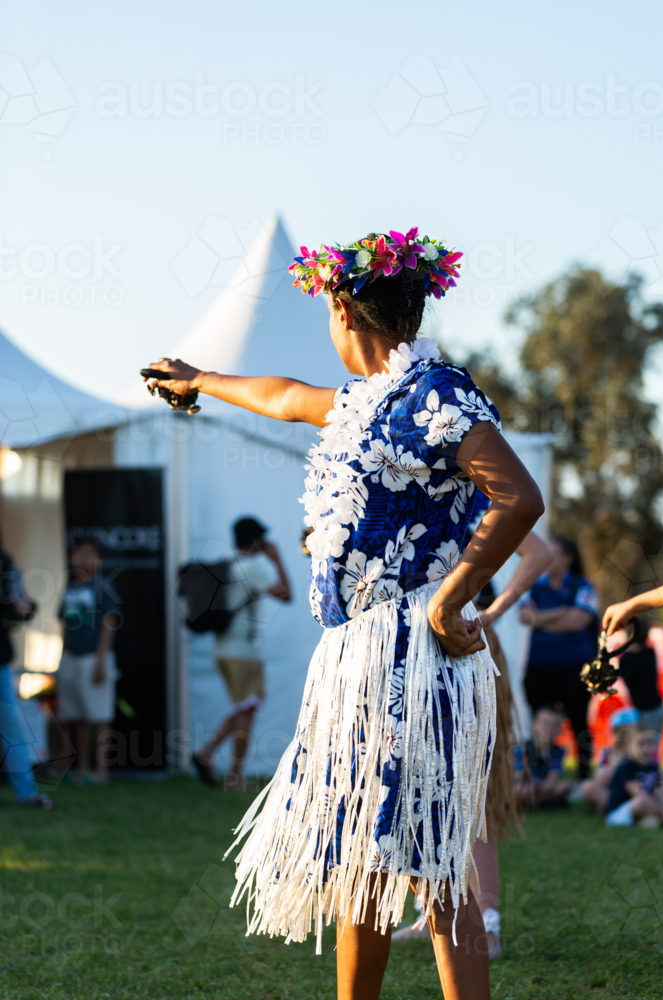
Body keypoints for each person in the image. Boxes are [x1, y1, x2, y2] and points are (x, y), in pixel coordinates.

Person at [144, 226, 544, 1000]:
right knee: (357, 848)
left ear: (343, 309)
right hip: (355, 655)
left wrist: (450, 599)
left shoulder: (439, 394)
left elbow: (518, 498)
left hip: (415, 652)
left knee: (437, 860)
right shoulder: (365, 402)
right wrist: (200, 379)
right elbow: (286, 398)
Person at [393, 503, 552, 960]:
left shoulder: (478, 492)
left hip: (464, 646)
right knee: (417, 785)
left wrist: (490, 613)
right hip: (415, 648)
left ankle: (487, 923)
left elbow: (537, 554)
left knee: (471, 790)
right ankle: (433, 914)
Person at [193, 517, 291, 790]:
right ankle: (231, 772)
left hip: (226, 649)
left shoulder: (228, 565)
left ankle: (213, 757)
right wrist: (277, 559)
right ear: (256, 540)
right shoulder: (252, 568)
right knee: (246, 708)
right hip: (242, 652)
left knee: (245, 707)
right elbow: (287, 594)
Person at [520, 536, 599, 779]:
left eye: (552, 553)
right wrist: (563, 613)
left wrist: (541, 619)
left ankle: (584, 776)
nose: (546, 558)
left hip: (574, 667)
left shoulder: (583, 586)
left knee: (578, 722)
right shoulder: (536, 585)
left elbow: (579, 620)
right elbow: (524, 617)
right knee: (539, 723)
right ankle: (539, 774)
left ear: (567, 559)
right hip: (539, 666)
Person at [57, 539, 120, 783]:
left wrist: (101, 660)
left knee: (99, 715)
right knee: (78, 716)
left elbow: (109, 623)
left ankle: (102, 771)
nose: (84, 558)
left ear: (99, 559)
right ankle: (82, 768)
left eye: (89, 554)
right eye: (79, 553)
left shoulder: (103, 587)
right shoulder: (70, 587)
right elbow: (62, 623)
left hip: (94, 657)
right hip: (71, 657)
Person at [0, 535, 54, 808]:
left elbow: (22, 602)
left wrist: (24, 608)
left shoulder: (5, 561)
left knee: (11, 726)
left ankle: (27, 794)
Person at [605, 724, 663, 827]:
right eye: (641, 744)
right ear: (627, 747)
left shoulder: (653, 766)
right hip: (620, 813)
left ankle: (650, 820)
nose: (646, 748)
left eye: (649, 743)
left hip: (646, 805)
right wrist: (661, 812)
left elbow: (657, 792)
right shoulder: (626, 767)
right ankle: (657, 819)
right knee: (641, 802)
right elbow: (639, 794)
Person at [614, 617, 663, 741]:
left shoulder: (628, 658)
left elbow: (619, 675)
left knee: (644, 749)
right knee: (649, 747)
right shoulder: (649, 652)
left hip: (644, 710)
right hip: (656, 707)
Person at [581, 706, 638, 813]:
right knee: (587, 786)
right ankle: (613, 808)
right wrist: (618, 755)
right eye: (620, 732)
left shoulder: (645, 751)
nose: (624, 737)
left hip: (637, 794)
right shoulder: (608, 753)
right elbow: (600, 781)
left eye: (629, 732)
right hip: (615, 795)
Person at [517, 706, 573, 808]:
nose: (549, 728)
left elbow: (553, 776)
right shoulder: (522, 748)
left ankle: (533, 803)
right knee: (521, 790)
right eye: (545, 723)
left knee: (567, 786)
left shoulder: (559, 751)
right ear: (534, 724)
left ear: (560, 730)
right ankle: (542, 802)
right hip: (524, 785)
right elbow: (516, 774)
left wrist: (544, 786)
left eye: (555, 725)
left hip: (543, 787)